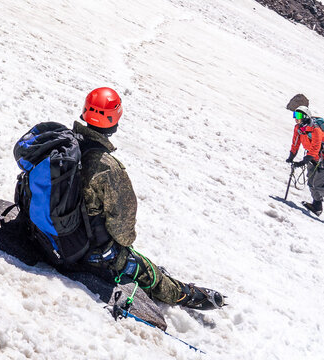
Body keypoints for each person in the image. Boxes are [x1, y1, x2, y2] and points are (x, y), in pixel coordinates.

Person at [73, 87, 225, 310]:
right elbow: (124, 235)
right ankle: (183, 295)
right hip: (88, 250)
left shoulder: (67, 145)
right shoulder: (109, 168)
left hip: (56, 234)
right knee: (144, 269)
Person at [287, 106, 324, 220]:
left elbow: (316, 147)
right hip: (312, 158)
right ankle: (317, 206)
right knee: (311, 182)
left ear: (306, 116)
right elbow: (295, 143)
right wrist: (291, 156)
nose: (296, 118)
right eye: (295, 115)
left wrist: (304, 161)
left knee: (318, 184)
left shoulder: (315, 129)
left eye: (299, 116)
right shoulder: (298, 128)